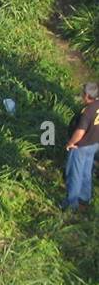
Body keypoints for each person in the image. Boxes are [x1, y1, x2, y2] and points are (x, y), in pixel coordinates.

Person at [64, 82, 99, 210]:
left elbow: (80, 132)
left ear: (87, 95)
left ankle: (71, 204)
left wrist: (70, 143)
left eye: (82, 93)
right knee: (86, 171)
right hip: (94, 144)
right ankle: (85, 197)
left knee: (75, 173)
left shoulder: (87, 111)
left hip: (81, 147)